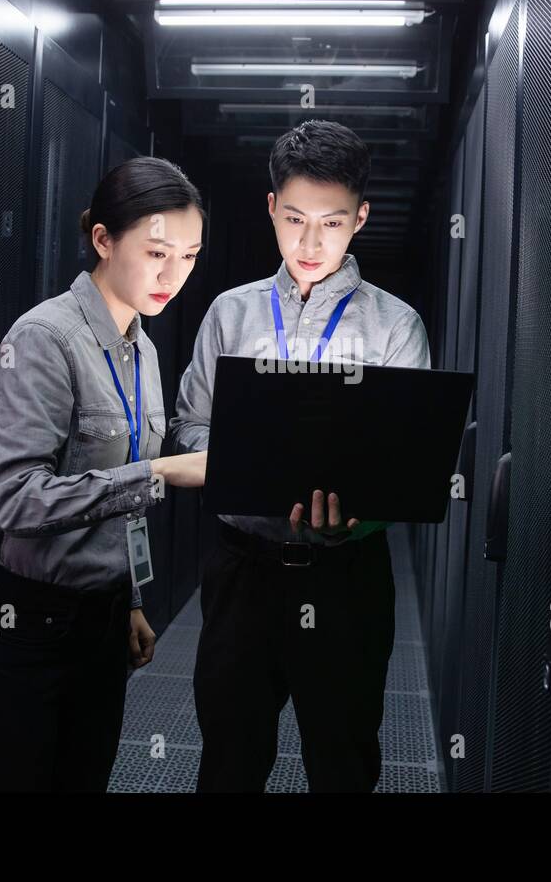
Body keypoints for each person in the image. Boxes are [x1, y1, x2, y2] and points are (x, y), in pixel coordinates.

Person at [171, 120, 431, 792]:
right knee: (229, 759)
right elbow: (190, 426)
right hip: (243, 574)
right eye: (293, 219)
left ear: (361, 218)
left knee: (342, 764)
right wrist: (244, 469)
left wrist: (361, 517)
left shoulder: (396, 325)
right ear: (269, 209)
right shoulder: (230, 314)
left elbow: (404, 466)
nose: (310, 242)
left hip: (346, 578)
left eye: (331, 222)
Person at [0, 157, 208, 791]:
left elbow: (117, 504)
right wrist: (157, 471)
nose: (173, 274)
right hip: (33, 627)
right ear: (103, 239)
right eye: (157, 251)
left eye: (189, 256)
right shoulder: (46, 338)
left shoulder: (144, 350)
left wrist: (128, 598)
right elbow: (13, 502)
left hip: (102, 621)